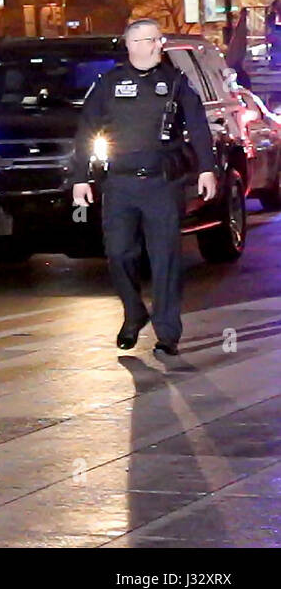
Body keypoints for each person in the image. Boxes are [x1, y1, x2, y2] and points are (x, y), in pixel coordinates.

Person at [71, 18, 215, 356]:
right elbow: (86, 130)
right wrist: (79, 177)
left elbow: (198, 127)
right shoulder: (109, 83)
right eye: (139, 40)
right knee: (119, 253)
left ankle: (167, 333)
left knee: (165, 258)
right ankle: (134, 313)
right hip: (119, 183)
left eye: (152, 40)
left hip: (162, 184)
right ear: (129, 45)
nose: (147, 46)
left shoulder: (176, 82)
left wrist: (207, 169)